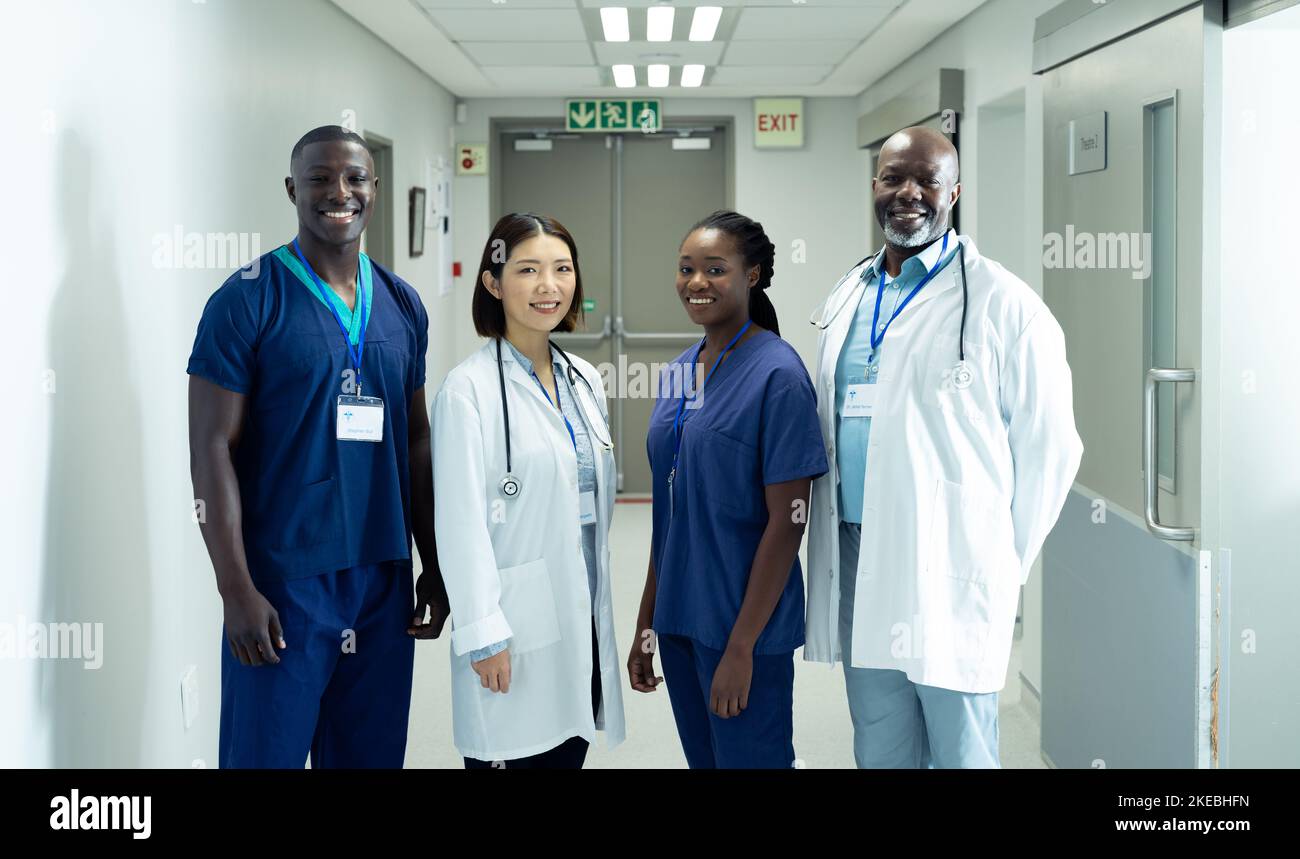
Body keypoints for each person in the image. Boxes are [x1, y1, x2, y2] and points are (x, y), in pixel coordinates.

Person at [804, 126, 1083, 768]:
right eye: (893, 177)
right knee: (879, 731)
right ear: (874, 186)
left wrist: (999, 560)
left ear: (953, 192)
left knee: (960, 743)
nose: (908, 193)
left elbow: (1051, 447)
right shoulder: (851, 294)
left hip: (951, 553)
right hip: (855, 545)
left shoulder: (1005, 305)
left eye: (926, 180)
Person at [187, 125, 449, 768]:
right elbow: (210, 447)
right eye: (320, 178)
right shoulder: (247, 298)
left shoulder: (402, 303)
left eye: (355, 178)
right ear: (291, 189)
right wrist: (234, 589)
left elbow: (416, 439)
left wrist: (435, 561)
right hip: (284, 582)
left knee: (369, 757)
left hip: (381, 575)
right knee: (263, 756)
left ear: (374, 189)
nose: (340, 191)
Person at [628, 210, 828, 769]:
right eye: (686, 268)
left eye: (715, 269)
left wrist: (742, 648)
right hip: (680, 617)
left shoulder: (778, 375)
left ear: (753, 275)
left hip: (744, 625)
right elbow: (666, 511)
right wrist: (648, 620)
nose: (696, 282)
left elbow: (788, 521)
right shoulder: (677, 370)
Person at [431, 213, 625, 768]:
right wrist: (483, 632)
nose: (549, 286)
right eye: (528, 270)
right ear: (493, 284)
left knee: (568, 750)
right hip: (511, 623)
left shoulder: (584, 379)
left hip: (580, 611)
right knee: (517, 755)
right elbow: (460, 523)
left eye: (562, 269)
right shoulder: (467, 390)